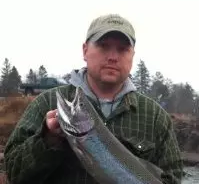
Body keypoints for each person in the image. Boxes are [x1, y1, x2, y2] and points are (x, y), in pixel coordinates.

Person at [4, 14, 183, 184]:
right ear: (85, 50)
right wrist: (48, 139)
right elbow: (14, 173)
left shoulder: (156, 118)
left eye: (122, 49)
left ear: (132, 56)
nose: (113, 57)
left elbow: (172, 178)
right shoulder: (45, 103)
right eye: (104, 46)